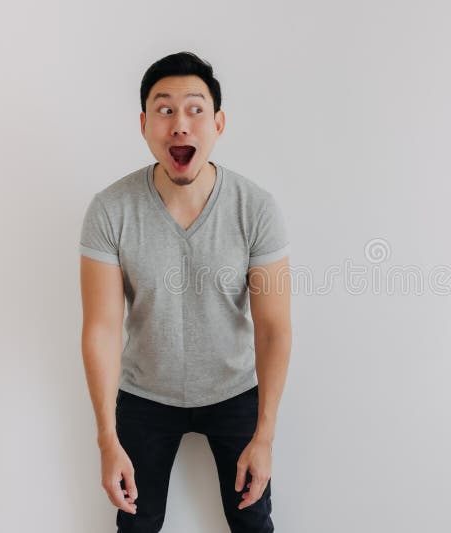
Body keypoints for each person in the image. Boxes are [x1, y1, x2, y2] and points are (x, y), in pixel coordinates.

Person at [78, 51, 291, 533]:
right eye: (165, 109)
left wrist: (265, 436)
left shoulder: (256, 208)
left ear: (218, 123)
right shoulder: (110, 210)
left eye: (195, 109)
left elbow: (274, 328)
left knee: (253, 522)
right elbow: (102, 328)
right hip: (144, 395)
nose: (180, 124)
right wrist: (107, 440)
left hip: (234, 391)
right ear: (144, 123)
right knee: (135, 524)